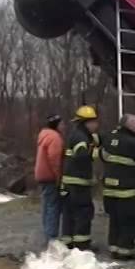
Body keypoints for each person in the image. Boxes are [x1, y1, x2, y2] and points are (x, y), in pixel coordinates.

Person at [101, 114, 135, 260]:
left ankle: (113, 248)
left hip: (109, 190)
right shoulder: (134, 142)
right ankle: (125, 252)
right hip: (126, 191)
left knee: (114, 220)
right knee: (128, 222)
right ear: (128, 125)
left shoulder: (109, 138)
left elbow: (101, 155)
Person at [59, 105, 101, 251]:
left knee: (69, 213)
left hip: (70, 183)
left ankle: (68, 242)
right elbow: (82, 155)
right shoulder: (81, 137)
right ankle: (82, 245)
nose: (97, 125)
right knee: (84, 212)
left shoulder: (77, 134)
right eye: (94, 122)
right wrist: (95, 153)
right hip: (79, 184)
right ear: (87, 122)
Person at [34, 114, 65, 244]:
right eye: (62, 123)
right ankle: (51, 238)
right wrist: (59, 177)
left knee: (47, 205)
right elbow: (55, 159)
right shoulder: (55, 138)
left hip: (41, 175)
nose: (64, 126)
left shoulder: (44, 135)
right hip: (50, 176)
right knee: (53, 206)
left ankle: (48, 234)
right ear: (57, 125)